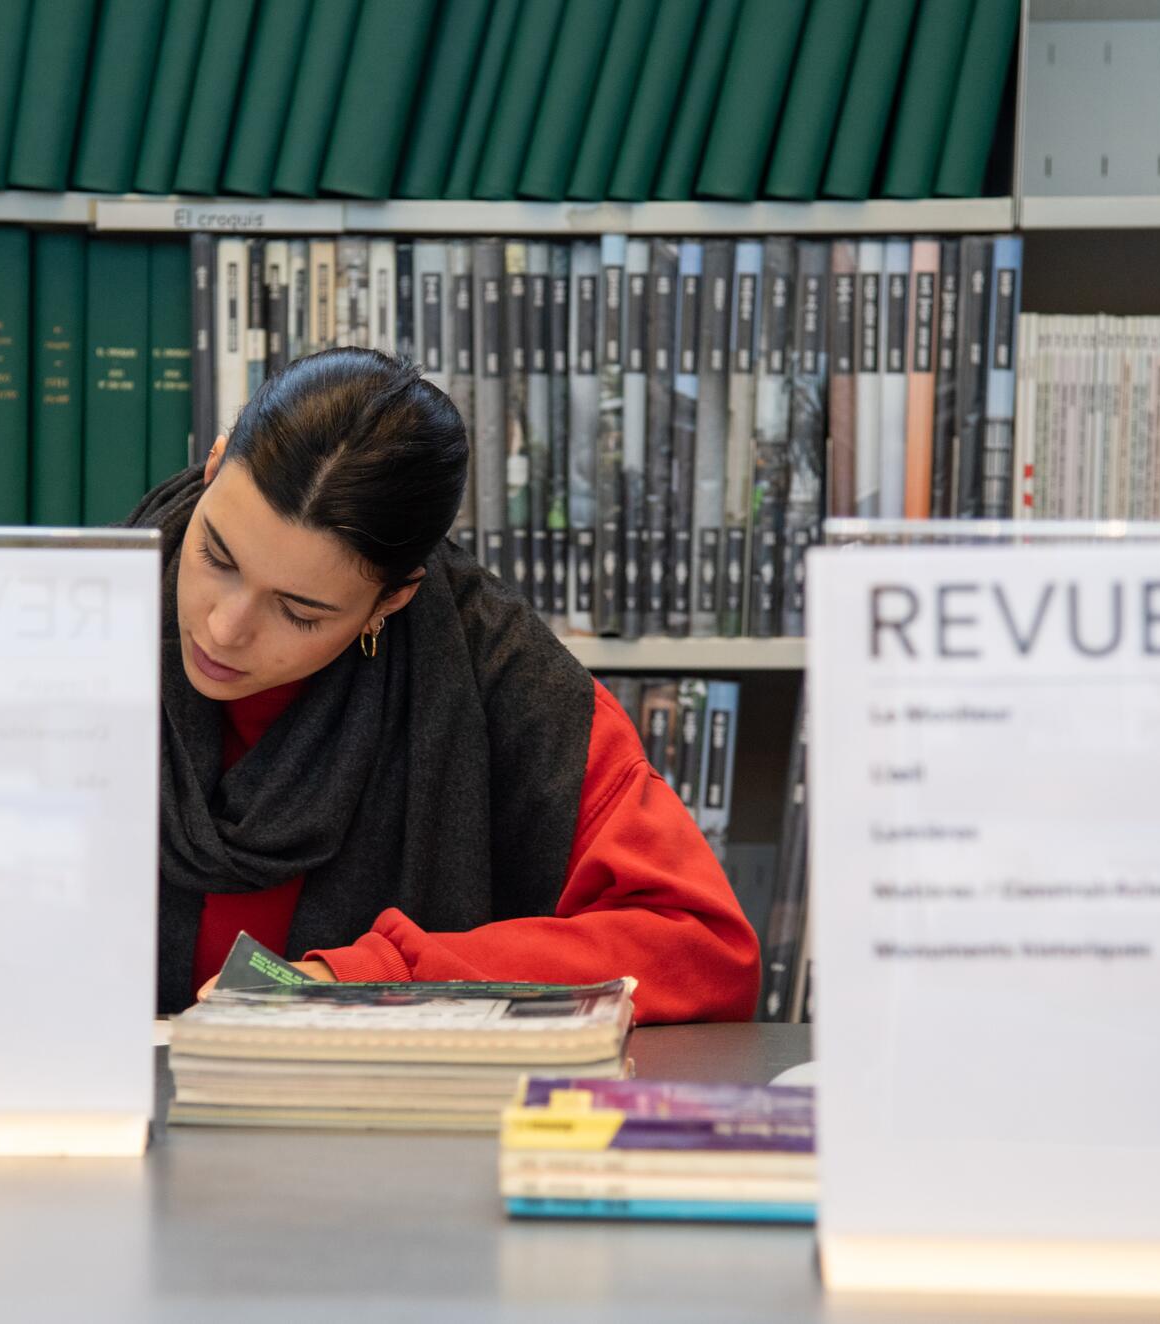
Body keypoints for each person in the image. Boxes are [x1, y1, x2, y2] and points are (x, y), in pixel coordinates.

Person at [133, 348, 760, 1025]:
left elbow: (705, 948)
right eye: (216, 556)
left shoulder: (500, 674)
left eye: (299, 613)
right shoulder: (79, 612)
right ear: (215, 464)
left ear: (392, 599)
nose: (223, 629)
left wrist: (385, 980)